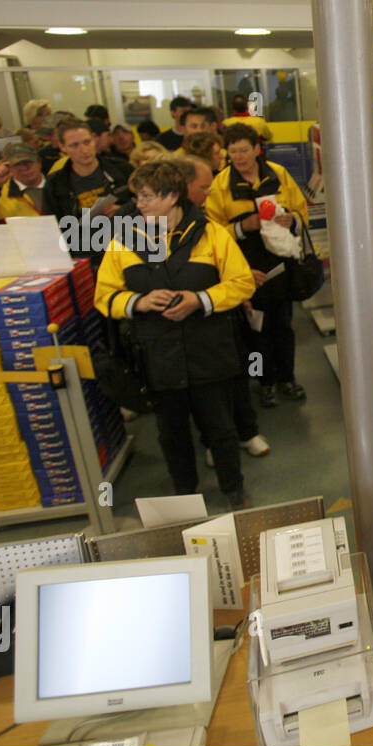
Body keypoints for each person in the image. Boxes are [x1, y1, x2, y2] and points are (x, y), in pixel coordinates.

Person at [95, 160, 256, 509]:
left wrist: (199, 300)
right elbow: (104, 297)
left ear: (172, 197)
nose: (139, 204)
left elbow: (242, 283)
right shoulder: (125, 240)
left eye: (147, 196)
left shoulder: (212, 234)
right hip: (157, 357)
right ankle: (185, 495)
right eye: (138, 197)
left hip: (209, 351)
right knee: (171, 435)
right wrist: (139, 301)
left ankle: (234, 490)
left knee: (221, 429)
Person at [168, 156, 272, 467]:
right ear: (183, 189)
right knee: (205, 394)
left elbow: (234, 273)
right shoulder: (153, 232)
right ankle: (213, 441)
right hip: (192, 332)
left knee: (240, 376)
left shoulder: (208, 227)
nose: (209, 193)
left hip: (227, 320)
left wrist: (237, 290)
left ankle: (247, 431)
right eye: (203, 188)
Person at [204, 122, 309, 407]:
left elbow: (301, 209)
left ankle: (287, 378)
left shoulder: (278, 174)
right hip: (245, 269)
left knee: (283, 326)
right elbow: (211, 234)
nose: (239, 156)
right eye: (233, 151)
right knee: (254, 332)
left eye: (244, 150)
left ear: (257, 149)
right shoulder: (220, 185)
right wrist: (241, 226)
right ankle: (263, 383)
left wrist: (293, 220)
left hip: (280, 265)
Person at [45, 117, 134, 265]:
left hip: (125, 247)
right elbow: (53, 228)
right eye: (74, 145)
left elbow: (147, 207)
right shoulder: (55, 183)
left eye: (87, 142)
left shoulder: (122, 169)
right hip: (84, 256)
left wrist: (123, 209)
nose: (84, 150)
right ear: (62, 147)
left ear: (94, 139)